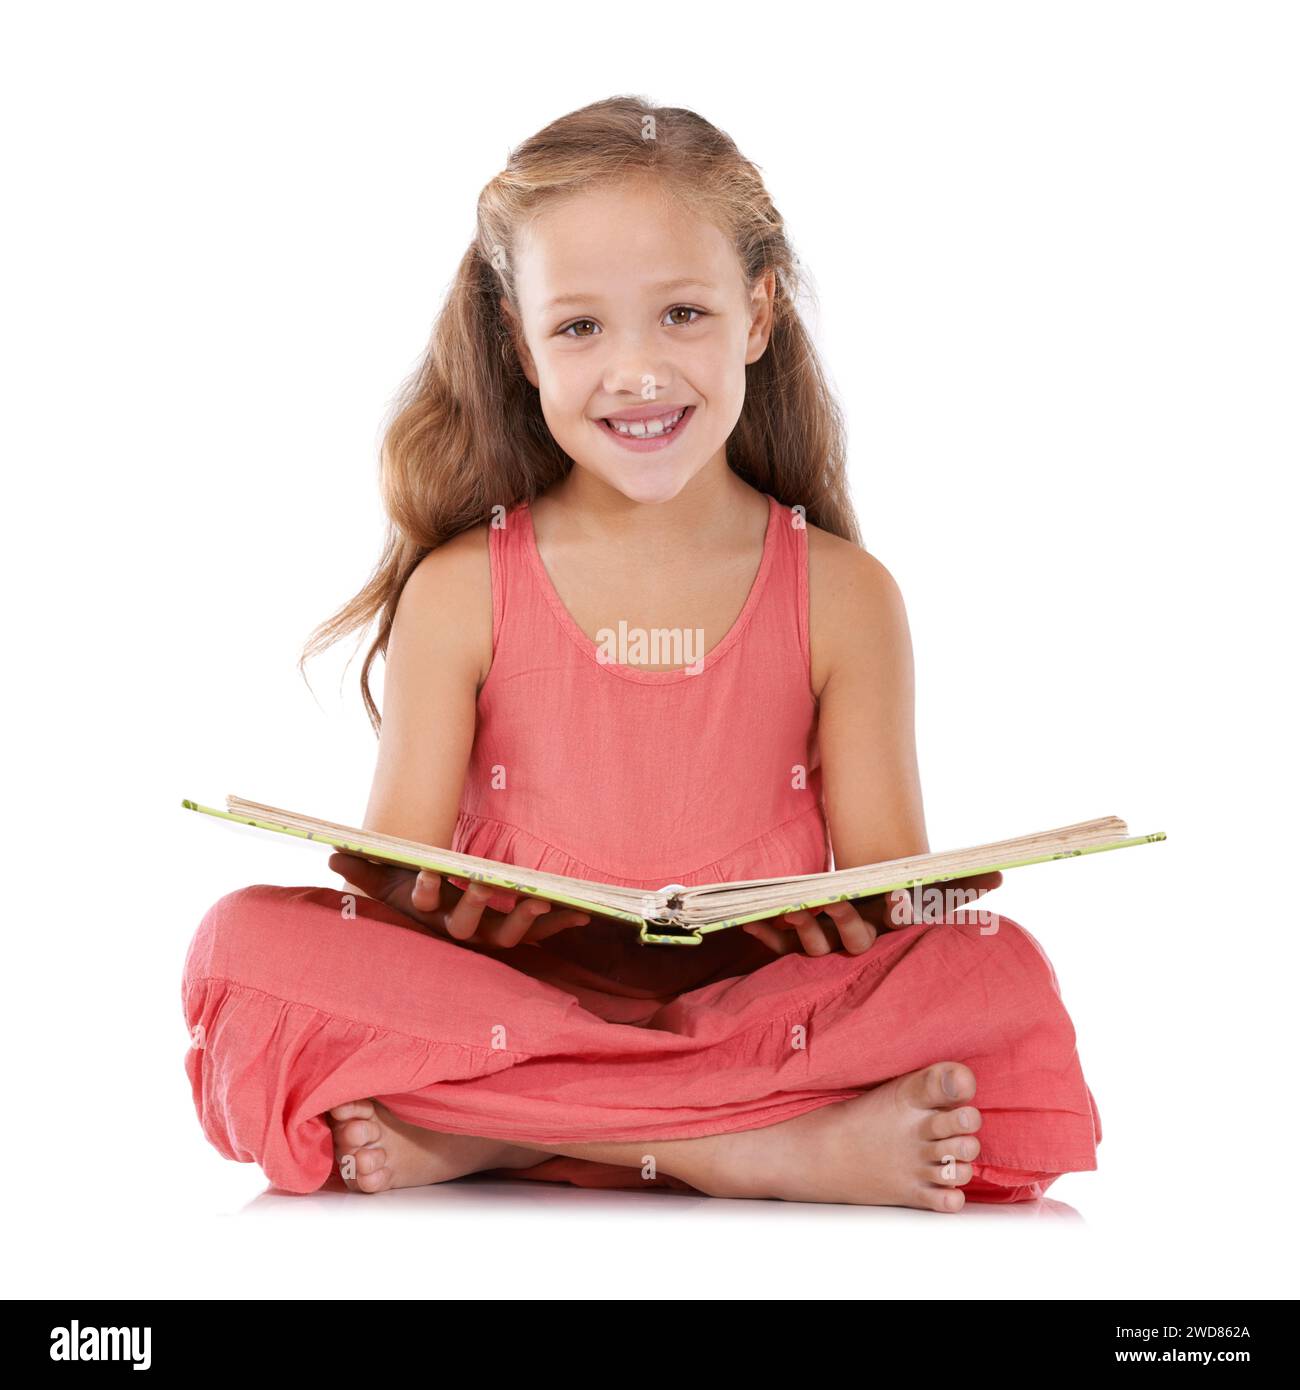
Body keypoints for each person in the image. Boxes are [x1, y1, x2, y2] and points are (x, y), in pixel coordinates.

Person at [182, 96, 1101, 1211]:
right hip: (504, 1008)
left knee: (990, 965)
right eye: (580, 328)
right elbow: (393, 907)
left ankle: (499, 1133)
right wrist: (443, 912)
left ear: (756, 313)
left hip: (765, 1017)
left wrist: (909, 907)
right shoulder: (462, 590)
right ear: (518, 341)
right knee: (238, 946)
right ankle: (746, 1147)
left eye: (680, 313)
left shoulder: (845, 598)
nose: (636, 371)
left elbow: (893, 915)